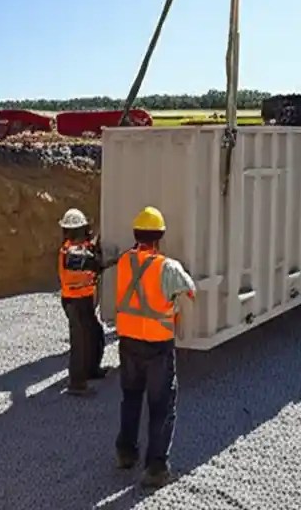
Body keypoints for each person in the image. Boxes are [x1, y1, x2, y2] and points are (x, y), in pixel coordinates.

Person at [112, 206, 195, 488]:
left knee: (131, 398)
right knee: (161, 406)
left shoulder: (124, 261)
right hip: (157, 347)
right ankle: (156, 468)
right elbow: (190, 291)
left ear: (136, 235)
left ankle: (125, 452)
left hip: (128, 343)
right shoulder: (167, 267)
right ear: (159, 237)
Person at [57, 208, 107, 396]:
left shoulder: (80, 247)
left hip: (83, 301)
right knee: (80, 343)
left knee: (94, 334)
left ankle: (92, 370)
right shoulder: (70, 252)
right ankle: (77, 383)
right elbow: (89, 262)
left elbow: (90, 253)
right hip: (74, 303)